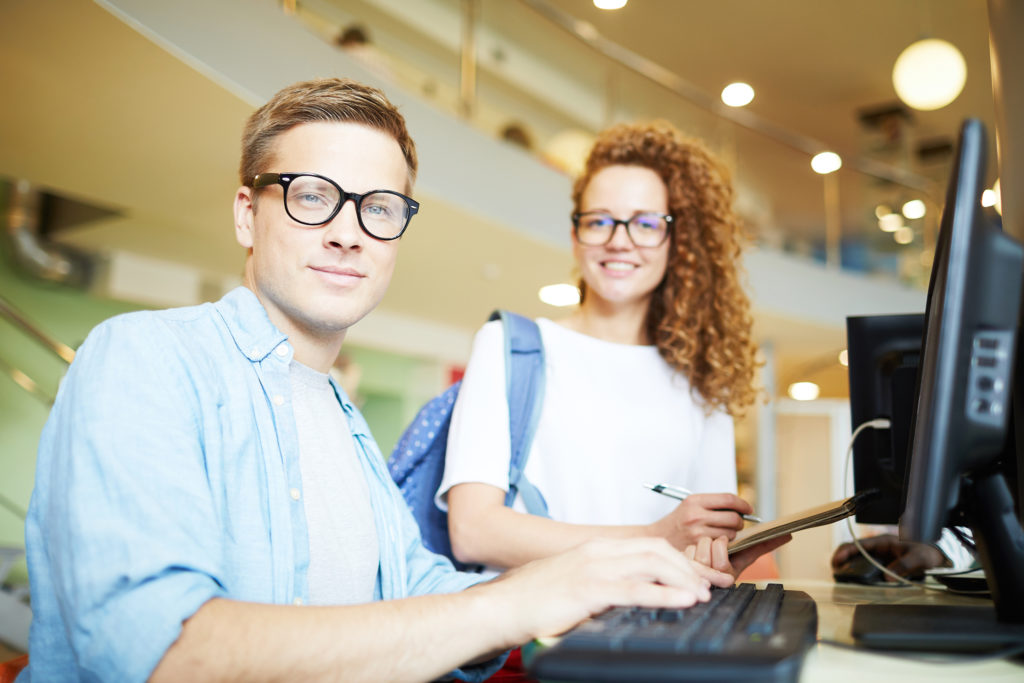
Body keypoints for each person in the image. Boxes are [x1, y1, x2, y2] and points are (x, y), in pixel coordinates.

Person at [19, 78, 735, 682]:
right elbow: (164, 652)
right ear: (247, 214)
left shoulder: (342, 419)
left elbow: (421, 590)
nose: (348, 231)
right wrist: (517, 602)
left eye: (379, 207)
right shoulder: (143, 357)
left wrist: (599, 582)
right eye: (311, 195)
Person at [439, 121, 786, 576]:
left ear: (674, 241)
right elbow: (473, 531)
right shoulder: (513, 345)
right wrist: (652, 539)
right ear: (575, 236)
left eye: (645, 223)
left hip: (663, 629)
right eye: (599, 220)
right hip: (543, 635)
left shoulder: (701, 376)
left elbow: (709, 542)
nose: (619, 240)